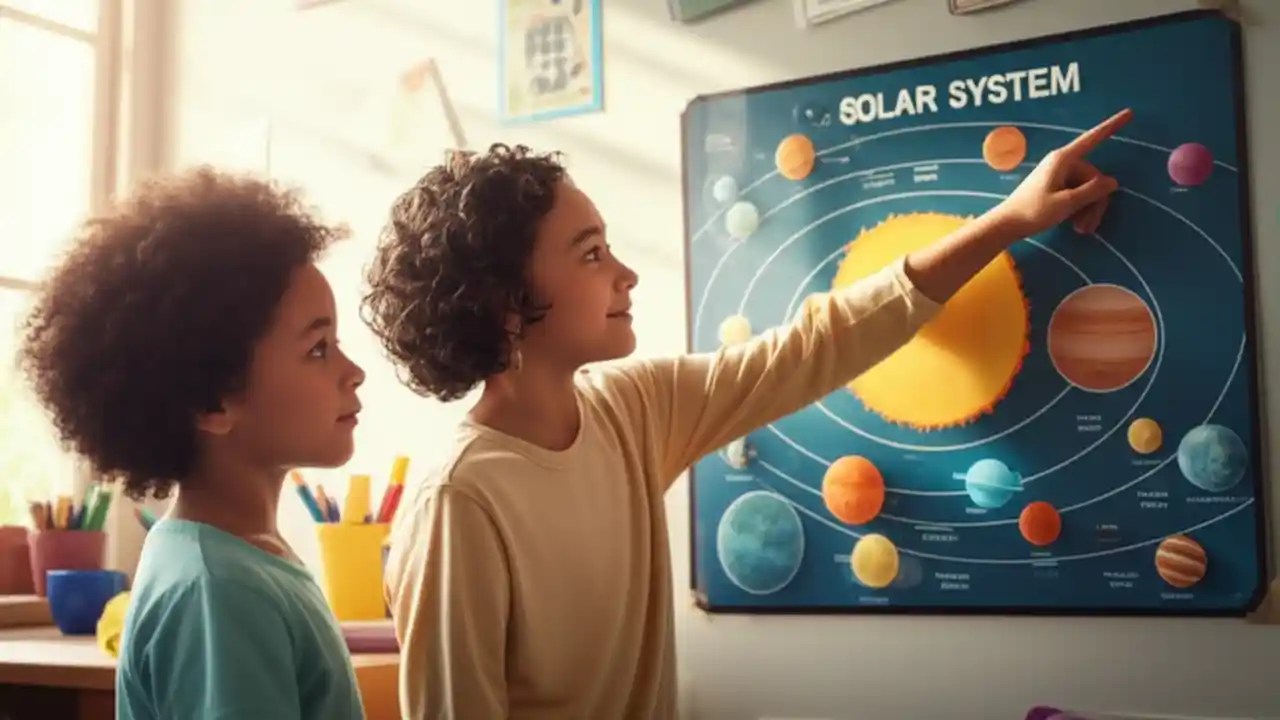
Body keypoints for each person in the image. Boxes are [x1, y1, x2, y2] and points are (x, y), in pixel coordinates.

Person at [361, 109, 1134, 718]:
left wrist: (1009, 219)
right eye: (592, 254)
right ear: (503, 305)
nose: (626, 274)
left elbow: (814, 345)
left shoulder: (633, 408)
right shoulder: (460, 503)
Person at [20, 168, 368, 719]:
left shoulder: (238, 558)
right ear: (213, 402)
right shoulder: (223, 591)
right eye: (318, 349)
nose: (354, 373)